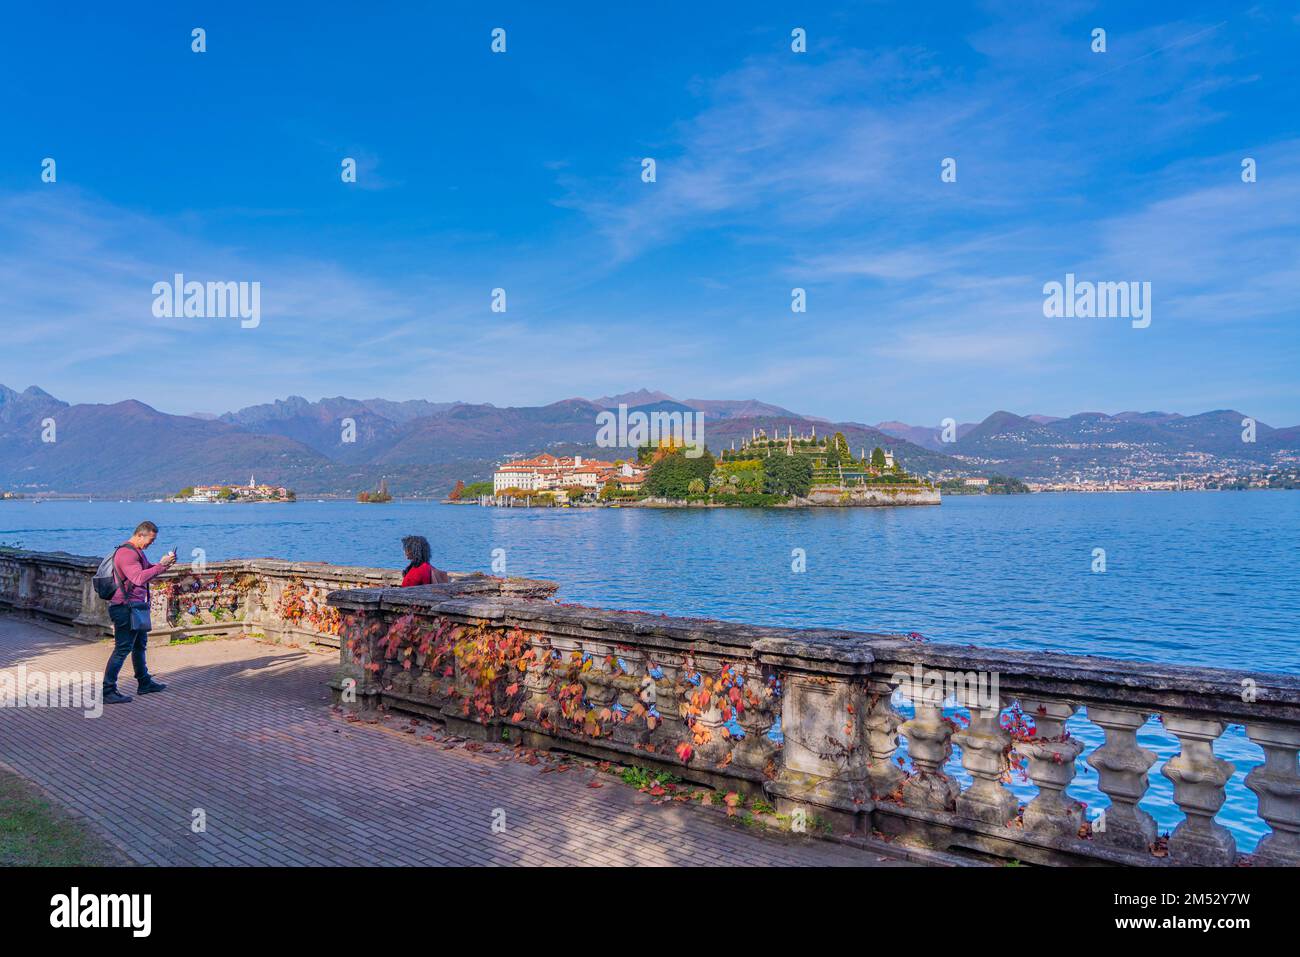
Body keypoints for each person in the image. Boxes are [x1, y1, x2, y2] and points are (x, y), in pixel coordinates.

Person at [103, 521, 176, 704]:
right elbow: (138, 578)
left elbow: (148, 570)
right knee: (122, 648)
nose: (151, 543)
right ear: (140, 535)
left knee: (139, 645)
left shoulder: (137, 552)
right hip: (124, 608)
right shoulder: (127, 553)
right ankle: (107, 690)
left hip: (135, 607)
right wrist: (161, 566)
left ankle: (144, 682)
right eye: (150, 540)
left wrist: (163, 564)